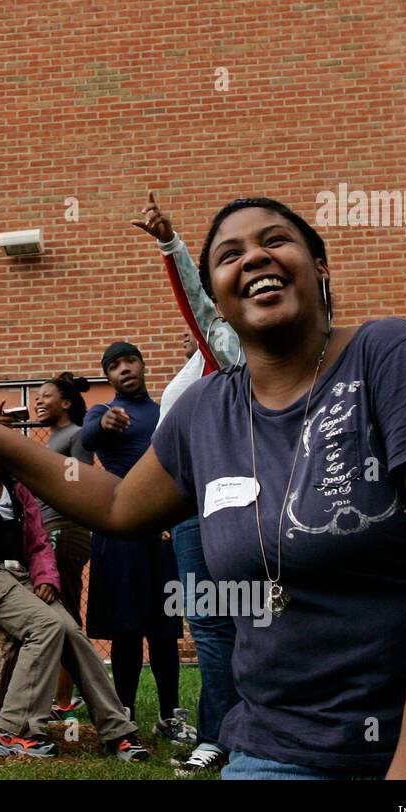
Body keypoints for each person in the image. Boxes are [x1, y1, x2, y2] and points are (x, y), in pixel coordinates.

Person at [0, 196, 406, 780]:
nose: (255, 256)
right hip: (284, 747)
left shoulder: (390, 356)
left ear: (321, 267)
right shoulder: (205, 411)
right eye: (230, 254)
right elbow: (113, 502)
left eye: (276, 240)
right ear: (216, 298)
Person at [0, 418, 149, 763]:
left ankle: (117, 731)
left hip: (24, 576)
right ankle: (12, 731)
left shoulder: (20, 490)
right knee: (45, 627)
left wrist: (47, 577)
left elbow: (38, 543)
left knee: (71, 633)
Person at [134, 189, 243, 774]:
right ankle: (227, 730)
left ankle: (225, 736)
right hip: (188, 512)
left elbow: (198, 307)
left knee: (222, 620)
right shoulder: (199, 363)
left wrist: (171, 242)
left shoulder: (233, 350)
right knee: (213, 620)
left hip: (227, 505)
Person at [80, 341, 196, 746]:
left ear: (142, 365)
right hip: (121, 534)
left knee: (164, 631)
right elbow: (89, 437)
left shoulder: (164, 410)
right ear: (108, 376)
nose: (124, 369)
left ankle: (169, 716)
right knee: (125, 631)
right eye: (114, 366)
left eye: (130, 360)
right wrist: (104, 422)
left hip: (162, 534)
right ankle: (124, 717)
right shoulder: (103, 411)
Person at [31, 372, 94, 719]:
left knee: (65, 611)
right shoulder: (53, 439)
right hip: (46, 531)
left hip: (65, 530)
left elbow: (80, 482)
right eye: (36, 397)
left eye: (46, 396)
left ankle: (64, 702)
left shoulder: (76, 435)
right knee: (51, 612)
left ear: (66, 403)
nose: (38, 401)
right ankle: (59, 698)